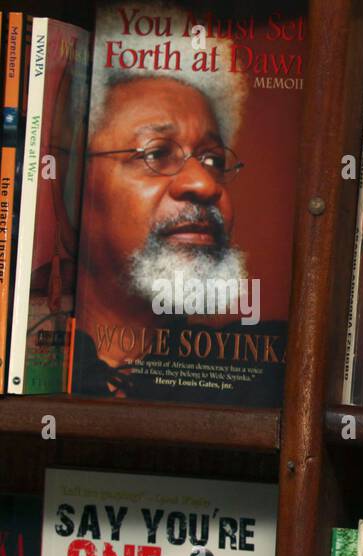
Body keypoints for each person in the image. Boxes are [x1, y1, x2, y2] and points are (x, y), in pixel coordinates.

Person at [72, 12, 281, 402]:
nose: (204, 183)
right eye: (157, 153)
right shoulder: (32, 364)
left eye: (214, 160)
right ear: (75, 183)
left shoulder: (262, 372)